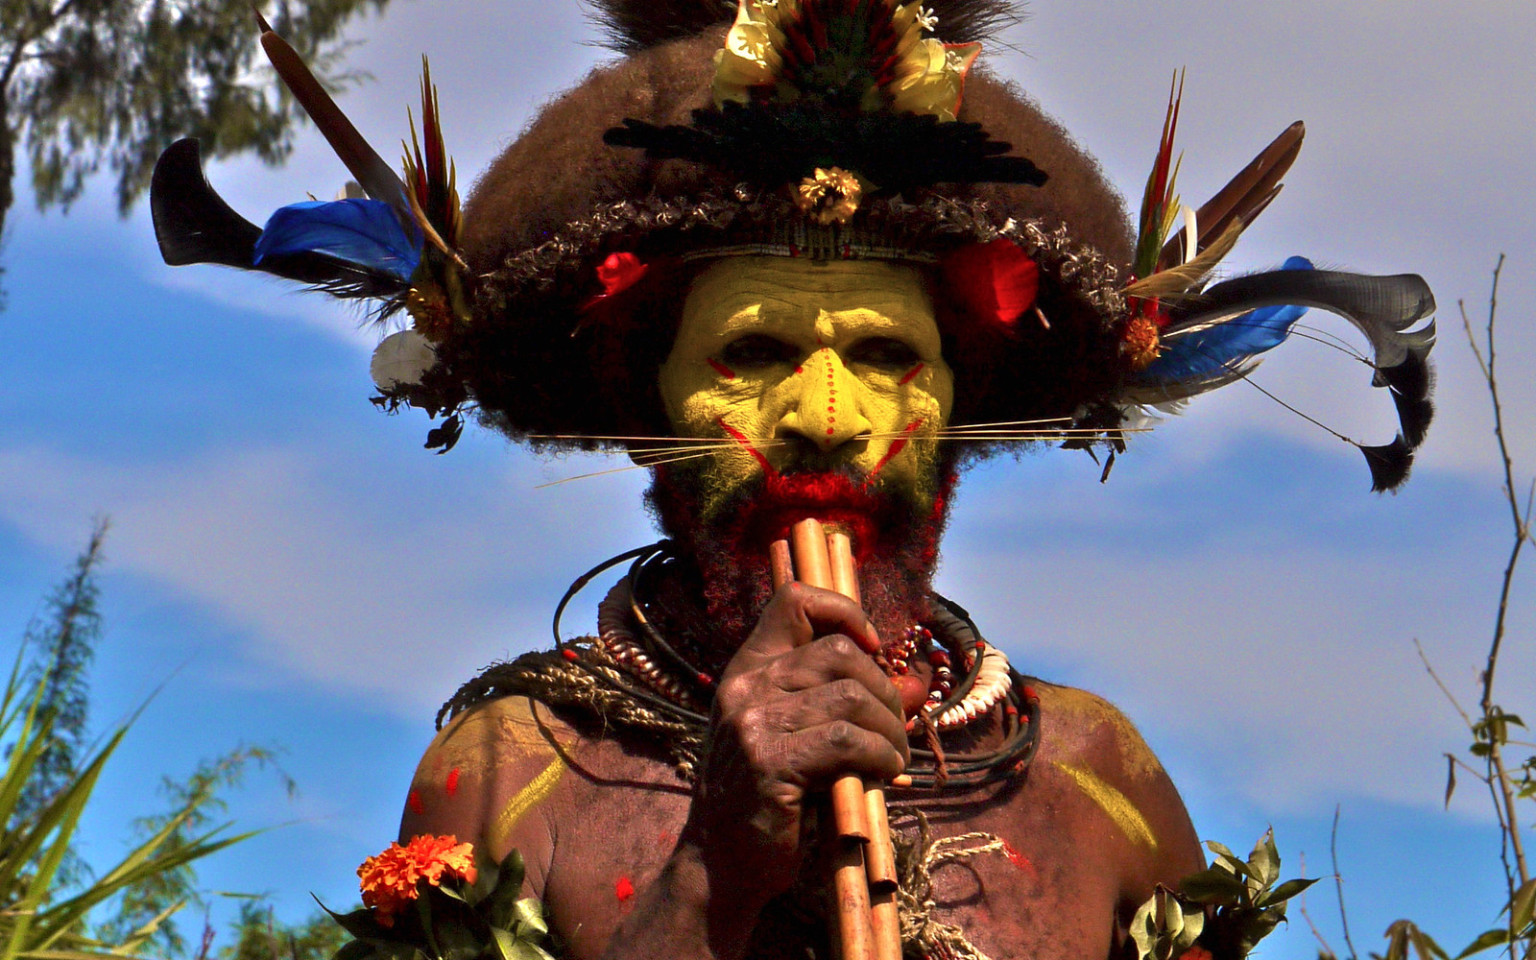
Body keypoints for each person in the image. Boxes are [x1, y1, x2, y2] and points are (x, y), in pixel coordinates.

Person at [147, 1, 1437, 957]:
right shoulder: (510, 768)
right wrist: (714, 865)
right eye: (755, 349)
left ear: (954, 405)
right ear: (648, 394)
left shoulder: (1099, 772)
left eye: (884, 353)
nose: (825, 422)